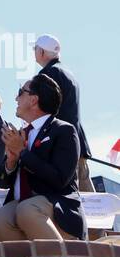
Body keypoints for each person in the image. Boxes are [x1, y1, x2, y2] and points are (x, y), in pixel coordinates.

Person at [0, 73, 84, 241]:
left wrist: (23, 153)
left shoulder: (64, 130)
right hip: (23, 206)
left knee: (27, 210)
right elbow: (2, 182)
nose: (16, 98)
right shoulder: (20, 134)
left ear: (33, 100)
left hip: (55, 207)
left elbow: (59, 179)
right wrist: (10, 162)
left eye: (21, 92)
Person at [32, 35, 93, 191]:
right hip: (77, 141)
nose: (34, 52)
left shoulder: (48, 74)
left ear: (42, 52)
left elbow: (42, 111)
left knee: (70, 199)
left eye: (35, 49)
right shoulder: (68, 73)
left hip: (61, 146)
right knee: (93, 205)